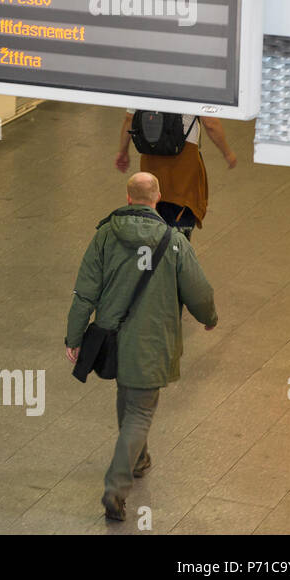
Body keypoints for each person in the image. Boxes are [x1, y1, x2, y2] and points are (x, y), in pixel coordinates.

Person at [65, 172, 219, 521]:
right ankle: (115, 489)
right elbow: (199, 289)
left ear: (128, 197)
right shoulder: (174, 241)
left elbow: (84, 292)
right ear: (157, 197)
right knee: (139, 411)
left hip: (114, 337)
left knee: (129, 397)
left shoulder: (105, 234)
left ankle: (139, 458)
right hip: (152, 341)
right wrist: (209, 317)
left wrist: (74, 337)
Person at [115, 111, 238, 239]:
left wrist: (122, 151)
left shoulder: (141, 89)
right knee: (178, 231)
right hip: (183, 165)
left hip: (150, 161)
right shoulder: (195, 89)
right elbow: (210, 123)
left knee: (153, 227)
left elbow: (130, 119)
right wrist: (227, 152)